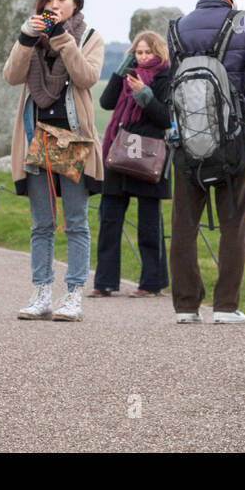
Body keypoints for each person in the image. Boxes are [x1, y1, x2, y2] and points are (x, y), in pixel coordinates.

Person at [169, 0, 245, 324]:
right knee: (234, 221)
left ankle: (186, 307)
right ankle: (225, 307)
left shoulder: (178, 28)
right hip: (236, 139)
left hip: (186, 140)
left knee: (184, 224)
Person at [2, 0, 104, 321]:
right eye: (49, 0)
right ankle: (42, 292)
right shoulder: (31, 38)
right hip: (36, 137)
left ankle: (73, 294)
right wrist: (25, 39)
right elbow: (12, 76)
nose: (54, 5)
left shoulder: (90, 37)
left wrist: (62, 39)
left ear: (76, 3)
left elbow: (86, 77)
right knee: (41, 224)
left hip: (72, 137)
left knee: (75, 222)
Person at [95, 30, 172, 298]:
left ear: (158, 53)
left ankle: (151, 283)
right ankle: (104, 281)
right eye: (138, 52)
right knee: (109, 218)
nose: (142, 57)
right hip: (119, 148)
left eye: (147, 52)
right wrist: (120, 72)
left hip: (148, 152)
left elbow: (165, 118)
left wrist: (145, 94)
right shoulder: (128, 75)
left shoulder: (165, 77)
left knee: (150, 222)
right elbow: (105, 102)